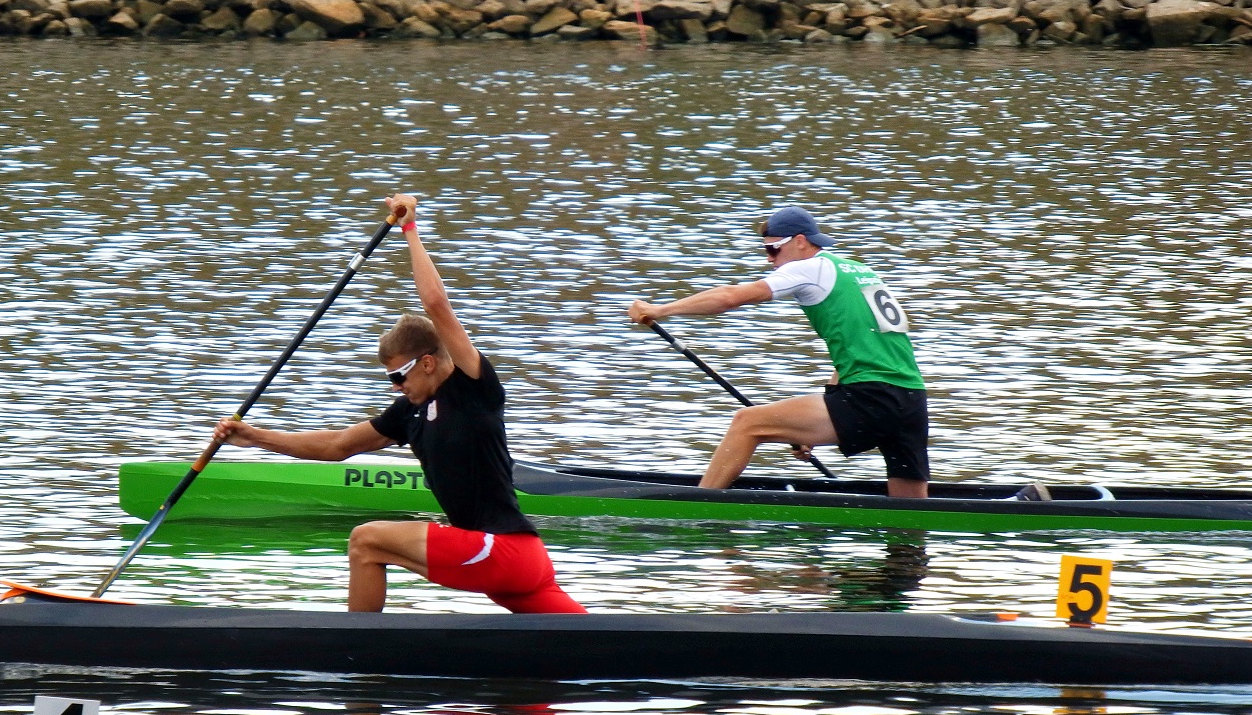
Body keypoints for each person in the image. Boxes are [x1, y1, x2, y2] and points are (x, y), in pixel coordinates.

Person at [213, 194, 586, 614]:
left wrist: (410, 229)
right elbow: (337, 446)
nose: (395, 387)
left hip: (500, 551)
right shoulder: (408, 412)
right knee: (598, 649)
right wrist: (255, 437)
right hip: (516, 560)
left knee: (365, 541)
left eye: (398, 376)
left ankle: (356, 655)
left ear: (427, 363)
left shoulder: (473, 387)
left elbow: (436, 306)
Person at [627, 206, 929, 498]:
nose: (771, 260)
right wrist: (814, 422)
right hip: (912, 399)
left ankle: (697, 511)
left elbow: (732, 297)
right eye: (766, 251)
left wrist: (660, 309)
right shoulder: (859, 271)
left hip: (874, 396)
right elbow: (864, 347)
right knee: (910, 512)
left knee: (748, 424)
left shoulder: (810, 268)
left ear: (800, 242)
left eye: (774, 250)